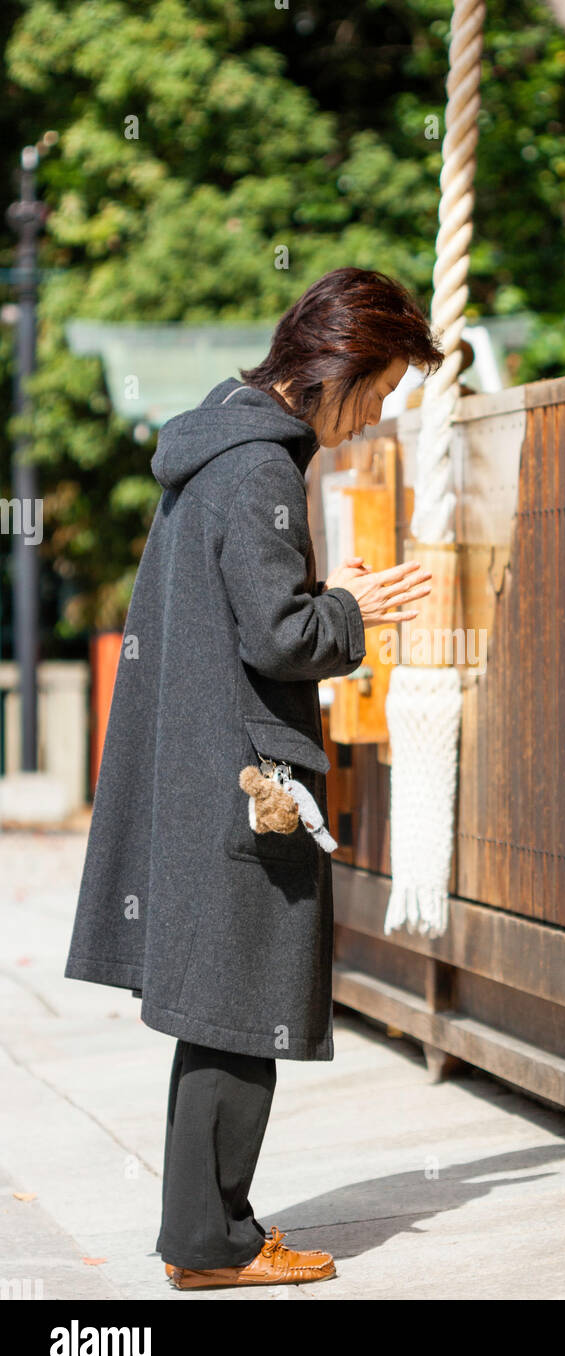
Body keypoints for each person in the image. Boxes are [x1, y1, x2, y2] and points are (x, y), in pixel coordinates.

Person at [64, 267, 444, 1290]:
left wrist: (331, 597)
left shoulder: (215, 446)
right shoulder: (258, 469)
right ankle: (213, 1246)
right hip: (248, 780)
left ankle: (208, 1233)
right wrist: (355, 607)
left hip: (206, 768)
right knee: (239, 1012)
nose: (369, 419)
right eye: (374, 393)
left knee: (218, 1010)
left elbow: (247, 616)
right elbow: (279, 636)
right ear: (335, 368)